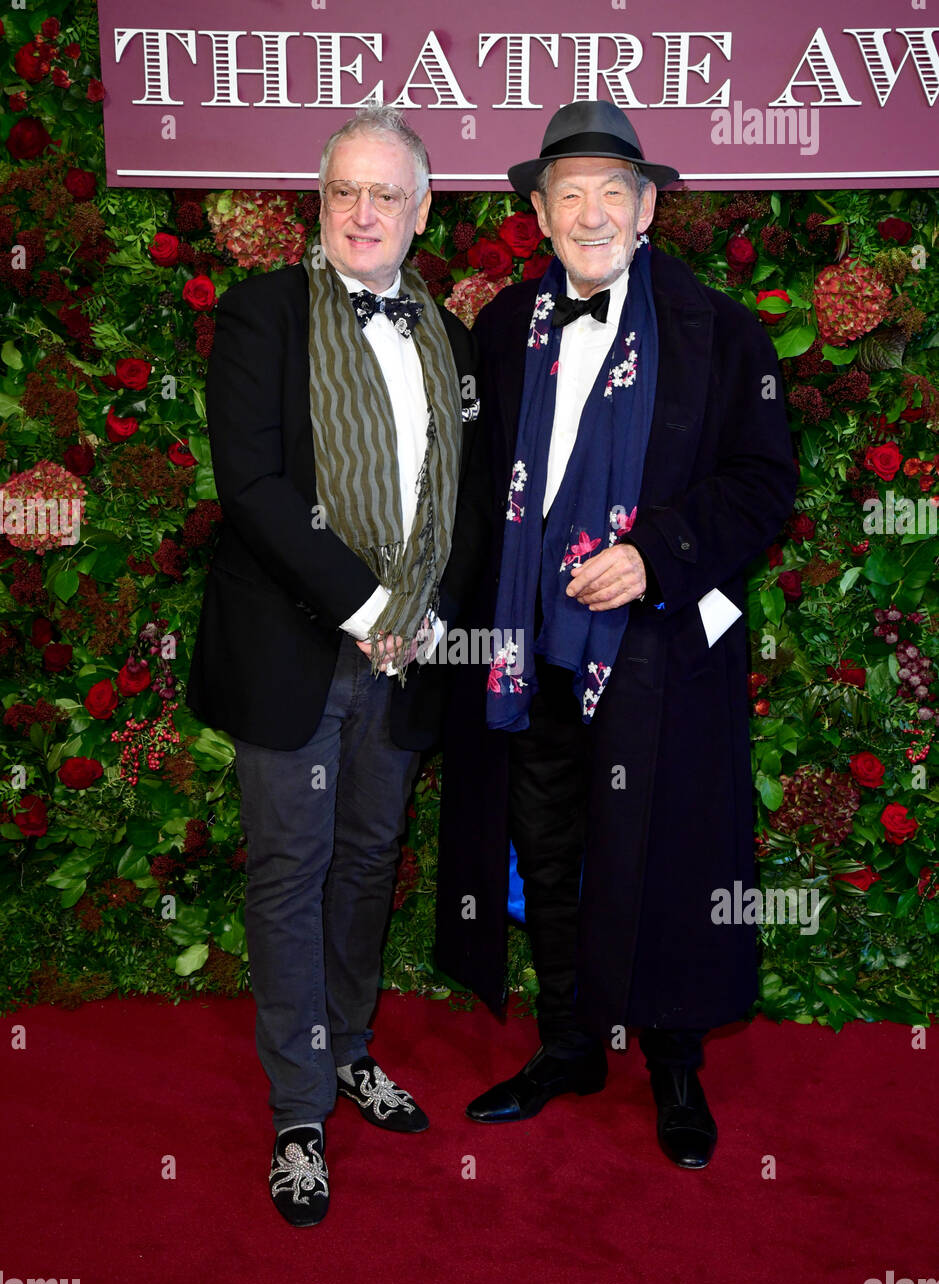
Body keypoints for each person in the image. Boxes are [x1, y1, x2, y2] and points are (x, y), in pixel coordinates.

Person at [435, 101, 796, 1169]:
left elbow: (762, 486)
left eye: (613, 192)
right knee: (545, 849)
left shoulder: (720, 333)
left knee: (671, 852)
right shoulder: (502, 330)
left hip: (656, 651)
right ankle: (568, 1045)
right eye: (569, 194)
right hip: (529, 648)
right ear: (541, 215)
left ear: (647, 208)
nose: (592, 212)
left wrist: (657, 554)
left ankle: (675, 1064)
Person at [185, 104, 486, 1225]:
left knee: (368, 860)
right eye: (344, 192)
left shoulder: (449, 337)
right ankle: (300, 1108)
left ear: (421, 210)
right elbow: (252, 486)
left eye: (386, 195)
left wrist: (429, 613)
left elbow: (464, 506)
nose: (364, 213)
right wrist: (364, 605)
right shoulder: (263, 313)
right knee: (290, 872)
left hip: (407, 655)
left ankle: (350, 1047)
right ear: (322, 203)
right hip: (294, 651)